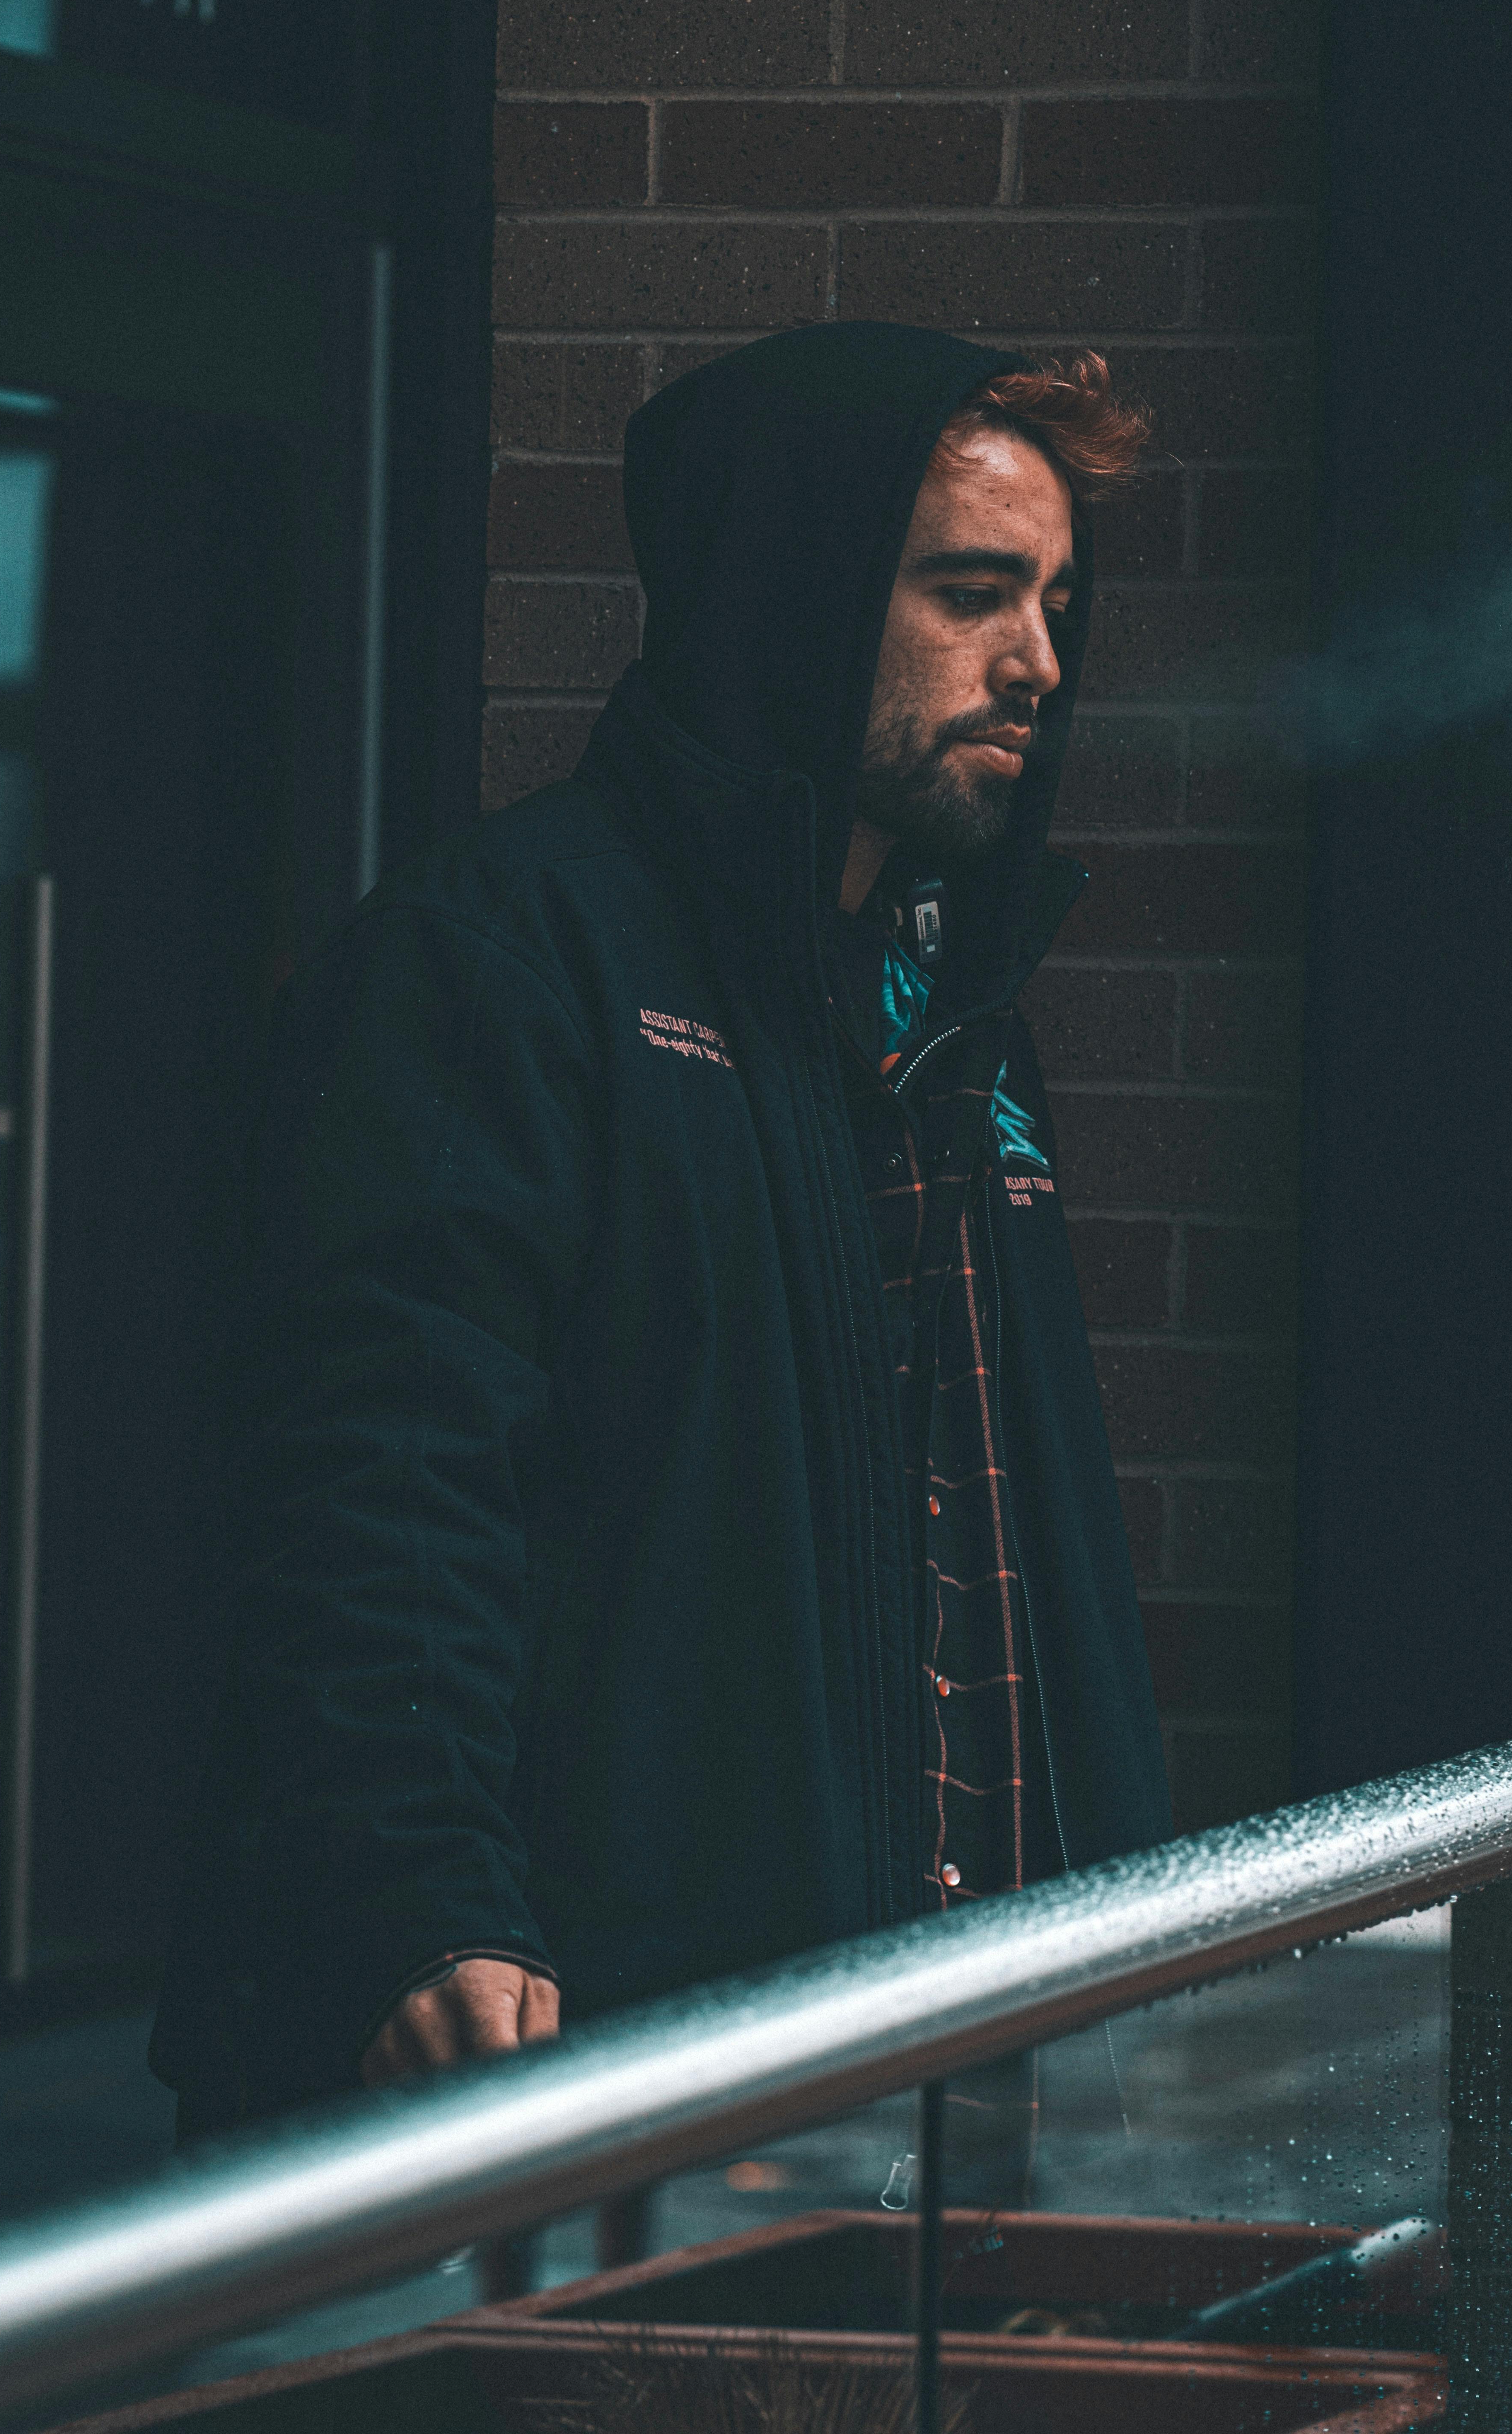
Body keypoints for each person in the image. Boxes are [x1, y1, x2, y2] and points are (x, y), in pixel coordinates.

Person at [151, 320, 1172, 2129]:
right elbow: (380, 1476)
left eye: (1055, 602)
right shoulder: (504, 962)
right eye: (970, 592)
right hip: (598, 2086)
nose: (1036, 661)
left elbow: (1010, 1532)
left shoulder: (956, 1022)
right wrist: (418, 1899)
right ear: (789, 598)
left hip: (938, 2077)